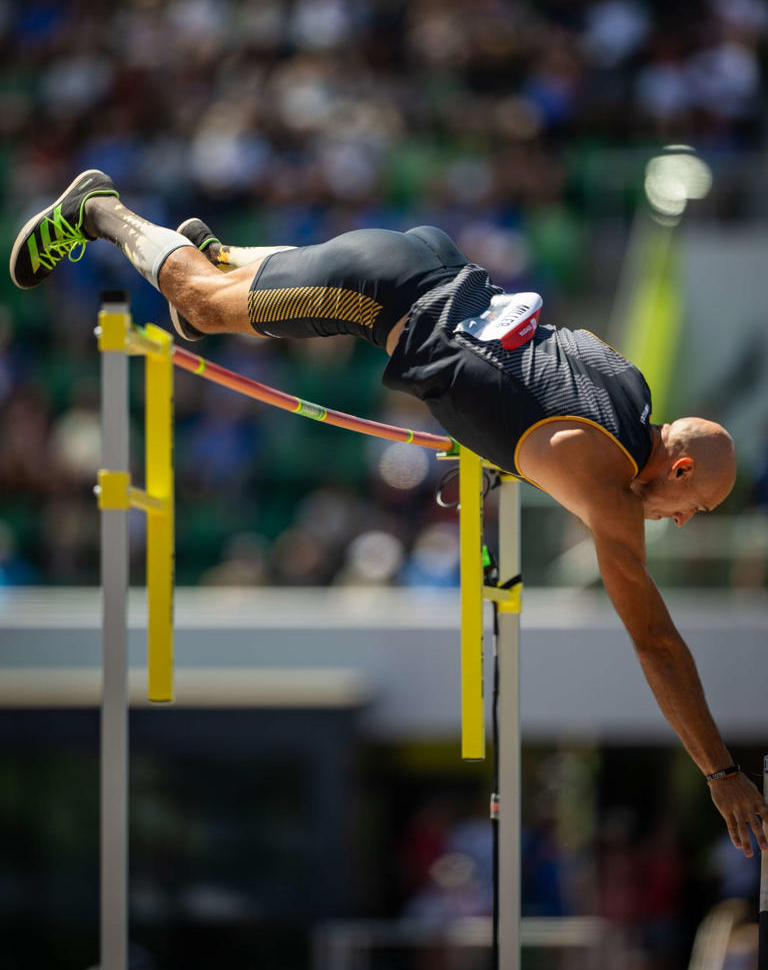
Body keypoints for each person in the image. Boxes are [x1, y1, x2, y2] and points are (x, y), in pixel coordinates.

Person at [10, 170, 768, 856]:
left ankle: (218, 251)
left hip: (430, 261)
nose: (678, 521)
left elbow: (532, 373)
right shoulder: (605, 484)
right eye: (689, 505)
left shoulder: (625, 379)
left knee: (227, 288)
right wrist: (719, 769)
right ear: (677, 466)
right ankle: (100, 210)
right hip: (385, 297)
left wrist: (501, 448)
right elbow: (657, 644)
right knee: (201, 310)